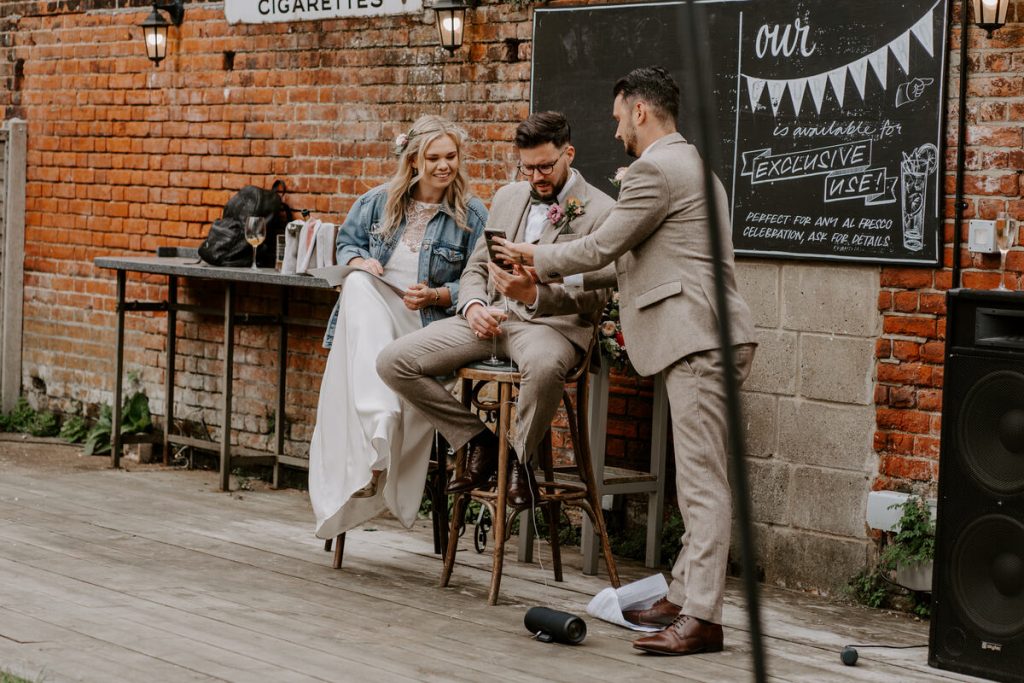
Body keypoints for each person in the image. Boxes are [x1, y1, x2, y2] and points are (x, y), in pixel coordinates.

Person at [494, 67, 757, 656]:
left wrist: (533, 253)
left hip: (699, 341)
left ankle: (703, 618)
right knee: (697, 481)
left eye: (618, 119)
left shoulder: (655, 170)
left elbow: (602, 244)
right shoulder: (692, 166)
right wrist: (549, 276)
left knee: (702, 486)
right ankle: (684, 594)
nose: (616, 133)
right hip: (705, 336)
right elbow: (625, 265)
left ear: (640, 111)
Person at [376, 111, 614, 507]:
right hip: (488, 322)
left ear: (568, 154)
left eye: (545, 167)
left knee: (542, 367)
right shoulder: (507, 197)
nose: (536, 177)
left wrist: (533, 293)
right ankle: (478, 440)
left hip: (550, 328)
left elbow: (595, 295)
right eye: (527, 168)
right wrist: (471, 306)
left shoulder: (601, 211)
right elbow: (476, 267)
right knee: (393, 362)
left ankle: (521, 461)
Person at [308, 115, 488, 541]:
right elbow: (348, 244)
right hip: (377, 311)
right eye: (434, 157)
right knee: (355, 283)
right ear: (412, 160)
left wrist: (439, 296)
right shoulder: (377, 201)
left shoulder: (472, 213)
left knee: (359, 298)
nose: (445, 166)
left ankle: (377, 430)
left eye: (451, 156)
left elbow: (482, 277)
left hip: (427, 324)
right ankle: (381, 415)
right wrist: (360, 262)